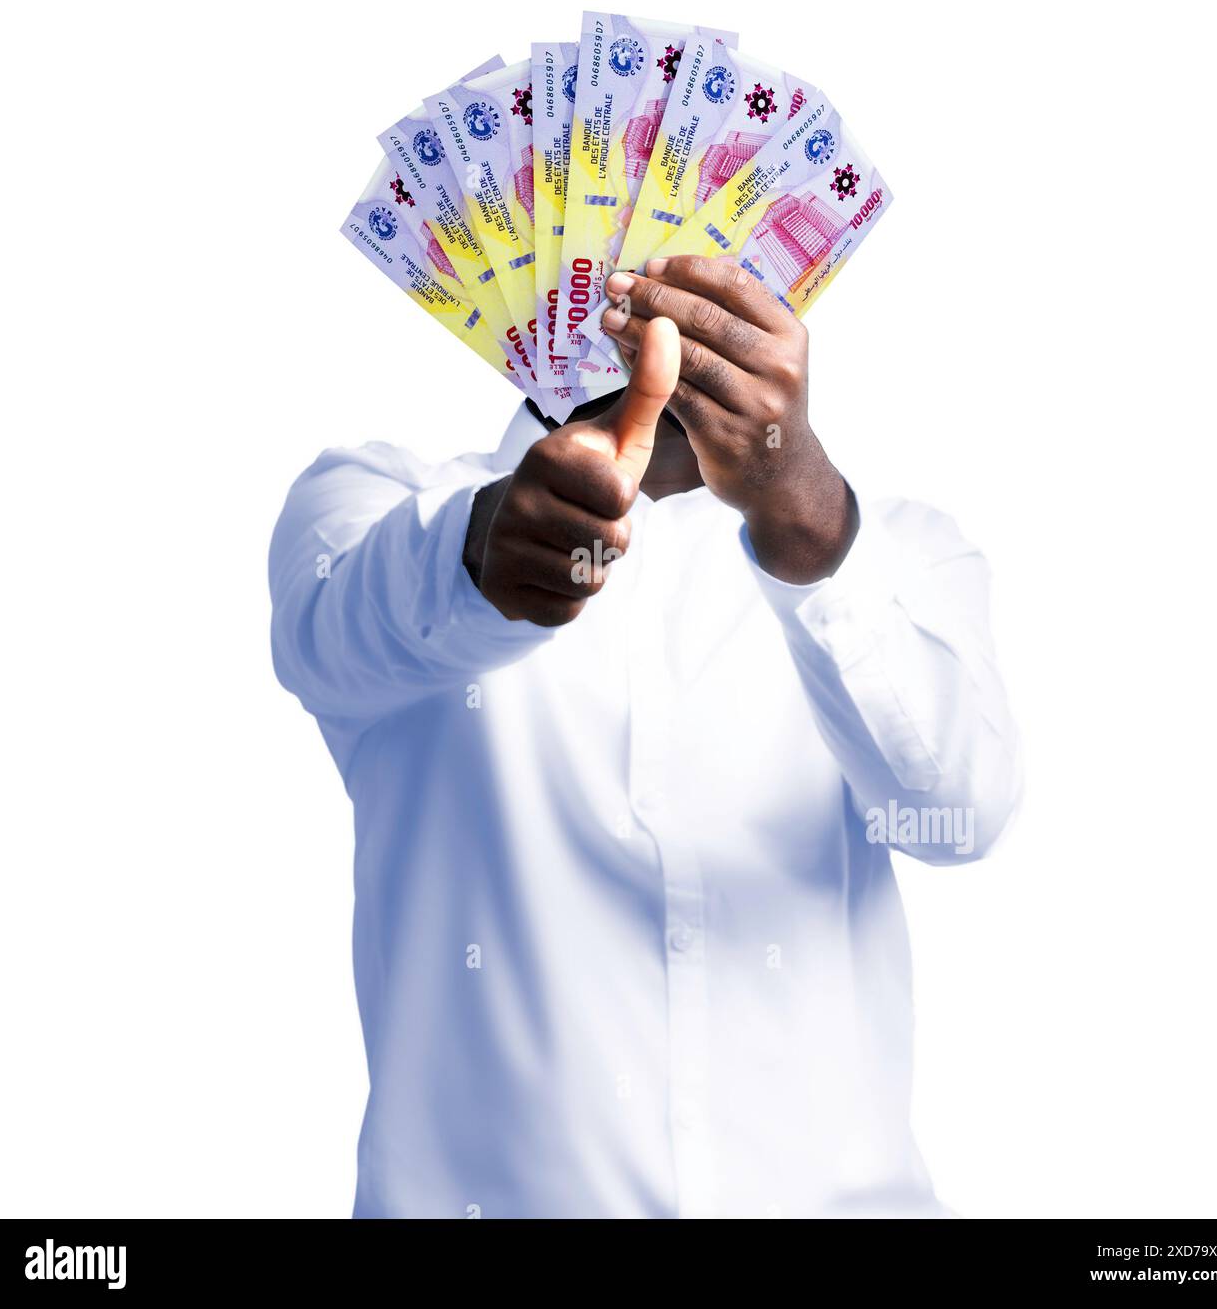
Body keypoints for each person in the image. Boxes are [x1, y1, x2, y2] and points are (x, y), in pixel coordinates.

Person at [268, 255, 1024, 1218]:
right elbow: (333, 634)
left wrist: (810, 528)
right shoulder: (367, 506)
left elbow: (959, 812)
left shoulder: (897, 552)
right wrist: (483, 547)